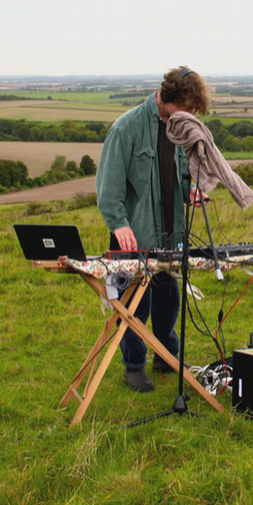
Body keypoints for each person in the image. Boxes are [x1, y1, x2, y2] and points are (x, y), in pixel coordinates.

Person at [95, 66, 212, 392]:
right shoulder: (126, 128)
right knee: (135, 304)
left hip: (169, 236)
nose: (190, 116)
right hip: (133, 234)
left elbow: (180, 174)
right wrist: (118, 224)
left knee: (169, 300)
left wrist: (190, 189)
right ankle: (134, 365)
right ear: (171, 99)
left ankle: (166, 357)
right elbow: (108, 187)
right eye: (187, 109)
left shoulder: (179, 130)